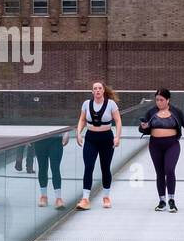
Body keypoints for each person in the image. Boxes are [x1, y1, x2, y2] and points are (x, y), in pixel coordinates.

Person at [139, 88, 184, 212]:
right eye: (157, 100)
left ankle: (171, 199)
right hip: (155, 145)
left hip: (172, 144)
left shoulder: (176, 111)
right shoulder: (151, 112)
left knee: (169, 169)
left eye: (161, 100)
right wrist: (144, 127)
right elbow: (142, 129)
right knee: (159, 173)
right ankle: (162, 201)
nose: (159, 102)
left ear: (168, 100)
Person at [75, 81, 122, 209]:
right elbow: (82, 119)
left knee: (105, 167)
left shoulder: (111, 104)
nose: (97, 90)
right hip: (91, 139)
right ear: (92, 92)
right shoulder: (86, 104)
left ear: (103, 90)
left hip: (106, 139)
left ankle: (106, 196)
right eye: (95, 88)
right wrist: (78, 132)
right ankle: (85, 199)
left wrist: (117, 137)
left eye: (99, 88)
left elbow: (118, 121)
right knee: (88, 167)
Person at [35, 132, 68, 209]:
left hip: (56, 139)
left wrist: (66, 132)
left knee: (55, 168)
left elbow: (64, 119)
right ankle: (43, 196)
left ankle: (58, 198)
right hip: (40, 138)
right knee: (42, 168)